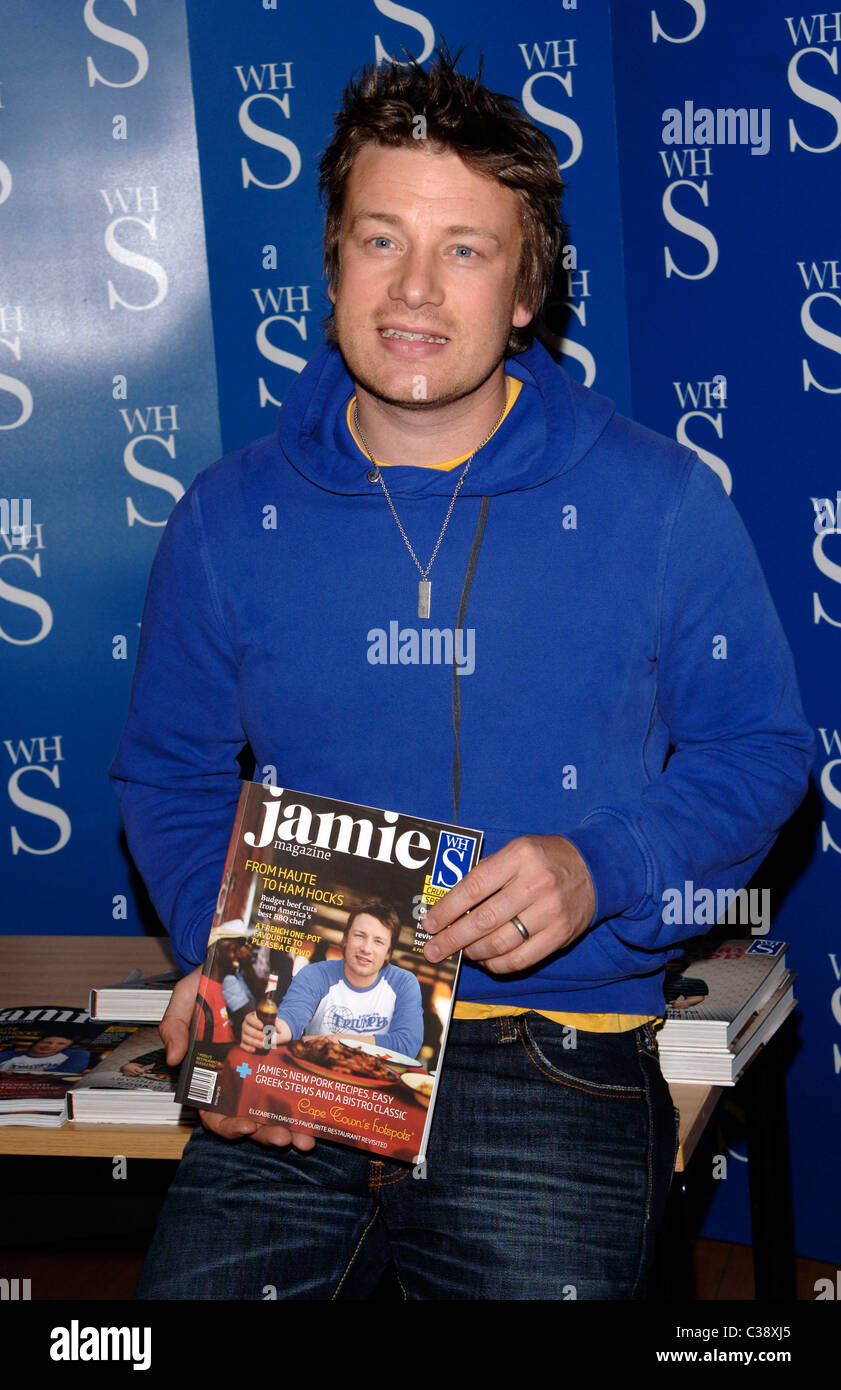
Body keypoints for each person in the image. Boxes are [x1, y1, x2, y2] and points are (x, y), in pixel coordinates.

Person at [110, 51, 814, 1300]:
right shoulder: (226, 518)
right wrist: (226, 973)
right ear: (331, 265)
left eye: (466, 251)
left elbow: (760, 752)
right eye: (380, 240)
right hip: (297, 1043)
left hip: (553, 1048)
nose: (415, 289)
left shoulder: (657, 501)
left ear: (528, 291)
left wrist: (603, 863)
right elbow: (167, 771)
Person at [240, 902, 424, 1059]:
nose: (366, 948)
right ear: (344, 940)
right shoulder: (315, 975)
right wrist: (263, 1032)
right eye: (359, 936)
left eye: (378, 942)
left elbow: (407, 1044)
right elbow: (291, 1019)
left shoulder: (404, 983)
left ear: (388, 953)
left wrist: (333, 1040)